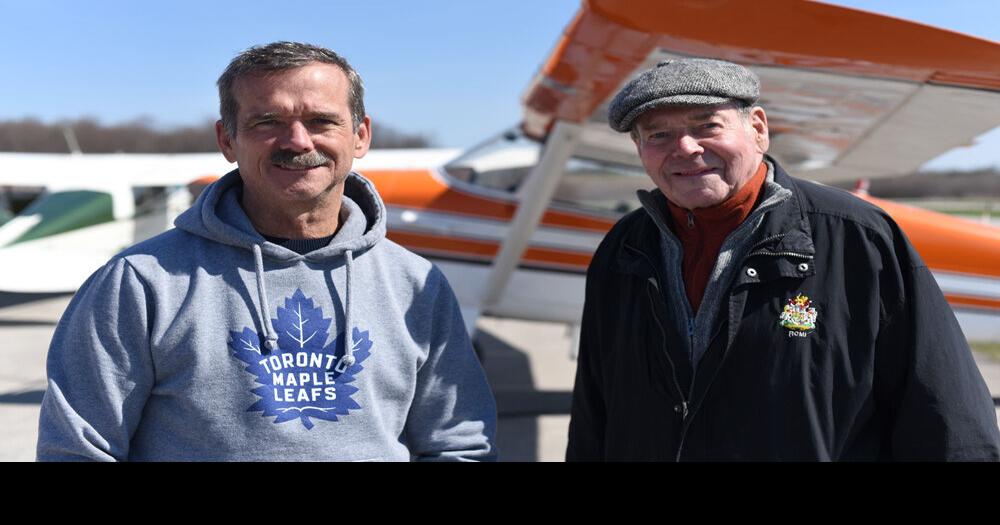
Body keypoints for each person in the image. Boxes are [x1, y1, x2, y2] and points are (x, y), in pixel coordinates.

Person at [37, 42, 497, 461]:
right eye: (267, 123)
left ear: (360, 136)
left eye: (321, 121)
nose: (297, 141)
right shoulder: (139, 282)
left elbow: (459, 443)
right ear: (226, 140)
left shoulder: (416, 284)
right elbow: (75, 450)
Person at [566, 58, 1000, 461]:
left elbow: (947, 411)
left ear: (757, 128)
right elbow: (594, 408)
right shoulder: (623, 249)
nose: (686, 147)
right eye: (658, 134)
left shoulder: (858, 238)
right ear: (640, 149)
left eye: (707, 126)